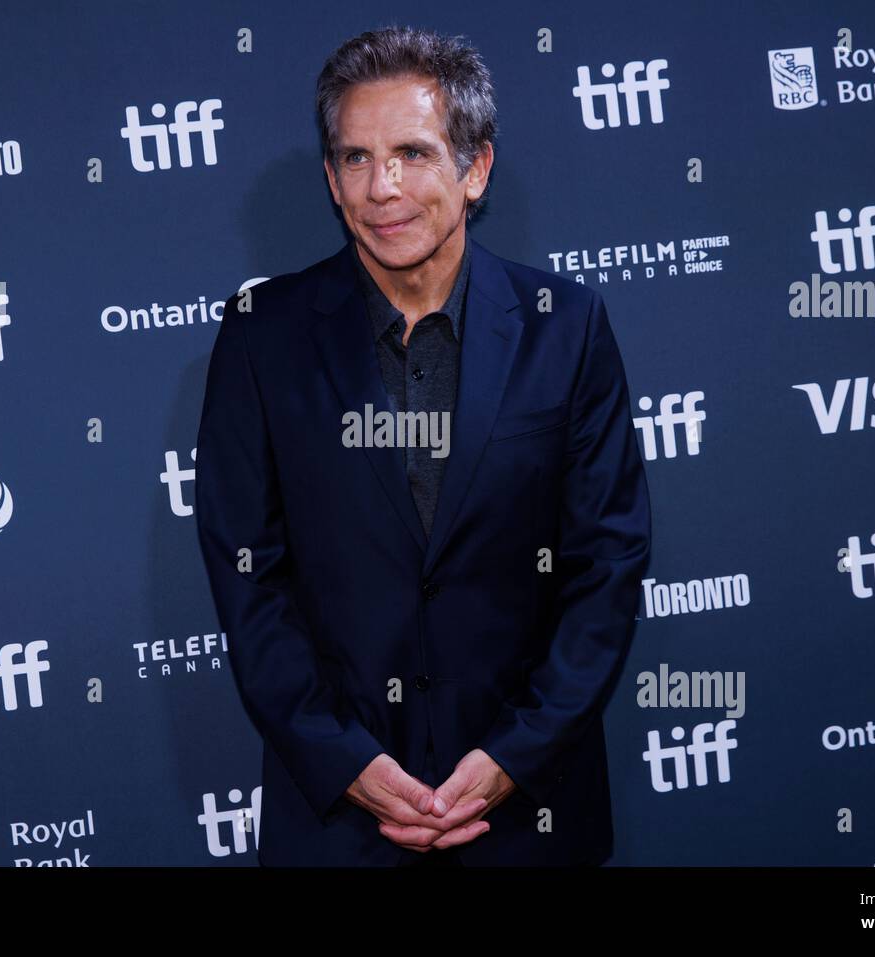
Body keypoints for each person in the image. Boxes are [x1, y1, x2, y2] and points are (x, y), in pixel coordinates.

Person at [194, 25, 651, 866]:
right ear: (330, 179)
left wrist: (513, 756)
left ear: (474, 169)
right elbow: (248, 581)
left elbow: (608, 564)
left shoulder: (568, 328)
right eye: (357, 159)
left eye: (411, 151)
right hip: (338, 823)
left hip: (529, 817)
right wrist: (349, 762)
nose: (383, 188)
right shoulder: (262, 338)